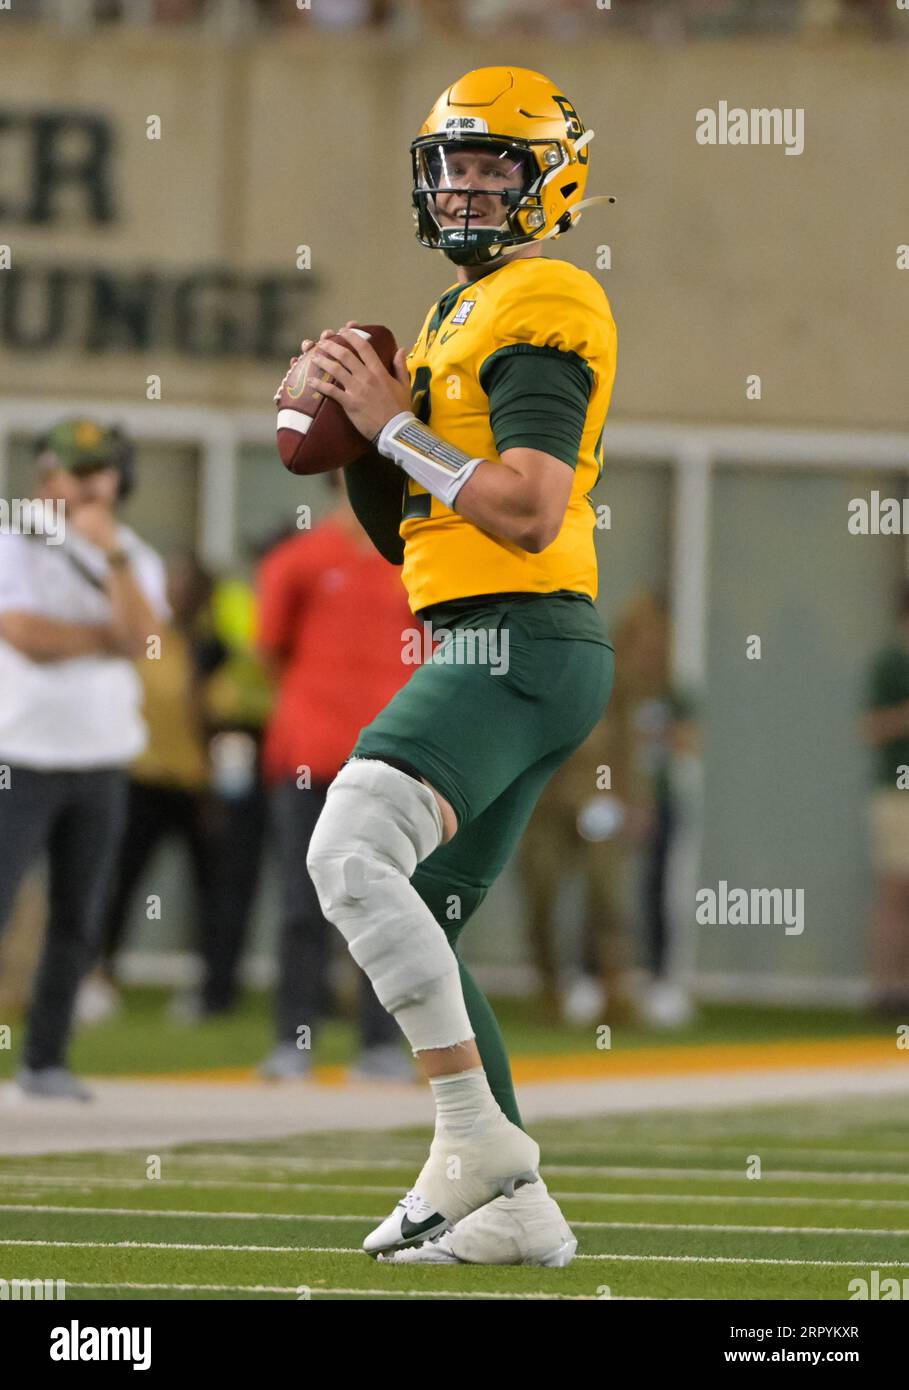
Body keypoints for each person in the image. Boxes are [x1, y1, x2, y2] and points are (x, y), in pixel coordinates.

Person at [285, 67, 617, 1265]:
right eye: (453, 165)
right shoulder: (446, 317)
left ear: (550, 181)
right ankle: (520, 1211)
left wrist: (390, 427)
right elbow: (419, 536)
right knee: (418, 905)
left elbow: (527, 508)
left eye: (495, 166)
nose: (467, 186)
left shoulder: (546, 297)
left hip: (523, 635)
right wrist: (357, 446)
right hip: (497, 632)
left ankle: (475, 1138)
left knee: (349, 848)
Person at [0, 419, 167, 1099]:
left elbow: (145, 640)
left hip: (101, 754)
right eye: (77, 471)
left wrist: (113, 562)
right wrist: (107, 635)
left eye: (100, 472)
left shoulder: (132, 553)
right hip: (21, 749)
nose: (90, 485)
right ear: (49, 474)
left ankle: (46, 1060)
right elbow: (25, 634)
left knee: (78, 916)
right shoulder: (14, 535)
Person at [257, 474, 417, 1081]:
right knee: (303, 905)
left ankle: (379, 1046)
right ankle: (292, 1043)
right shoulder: (299, 562)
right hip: (309, 757)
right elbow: (269, 648)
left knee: (385, 905)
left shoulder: (412, 560)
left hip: (388, 759)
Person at [77, 553, 217, 1025]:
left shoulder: (212, 648)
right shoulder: (150, 636)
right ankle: (98, 978)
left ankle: (207, 988)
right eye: (174, 585)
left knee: (210, 892)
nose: (179, 595)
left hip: (197, 787)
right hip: (142, 779)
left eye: (189, 587)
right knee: (120, 884)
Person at [862, 581, 909, 1016]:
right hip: (897, 794)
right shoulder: (892, 661)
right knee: (895, 890)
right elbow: (871, 727)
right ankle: (886, 989)